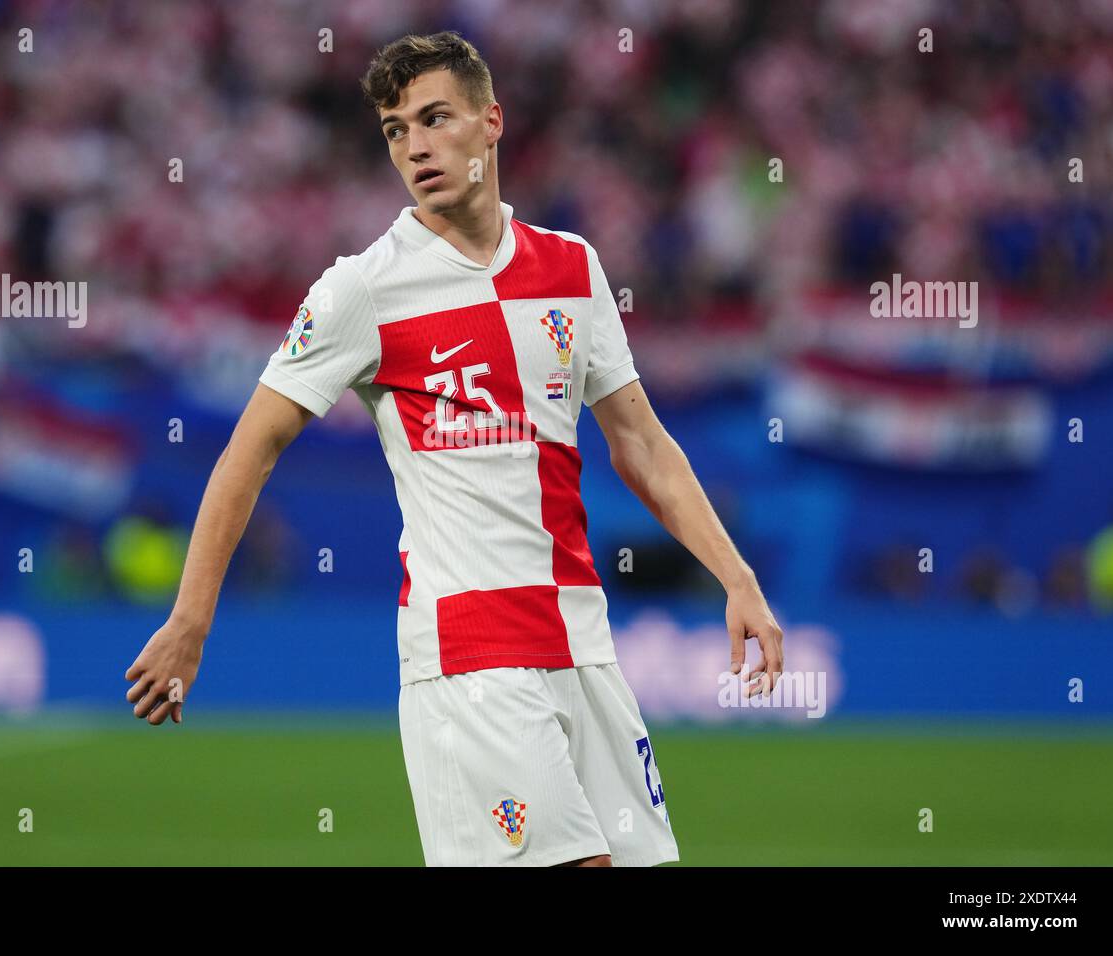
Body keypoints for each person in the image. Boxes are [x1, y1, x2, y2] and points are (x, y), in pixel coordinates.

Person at [124, 31, 784, 867]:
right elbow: (247, 453)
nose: (416, 146)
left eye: (435, 118)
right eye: (397, 130)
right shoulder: (362, 290)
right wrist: (191, 620)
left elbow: (642, 445)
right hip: (469, 653)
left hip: (582, 642)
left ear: (491, 121)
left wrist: (737, 577)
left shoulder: (572, 271)